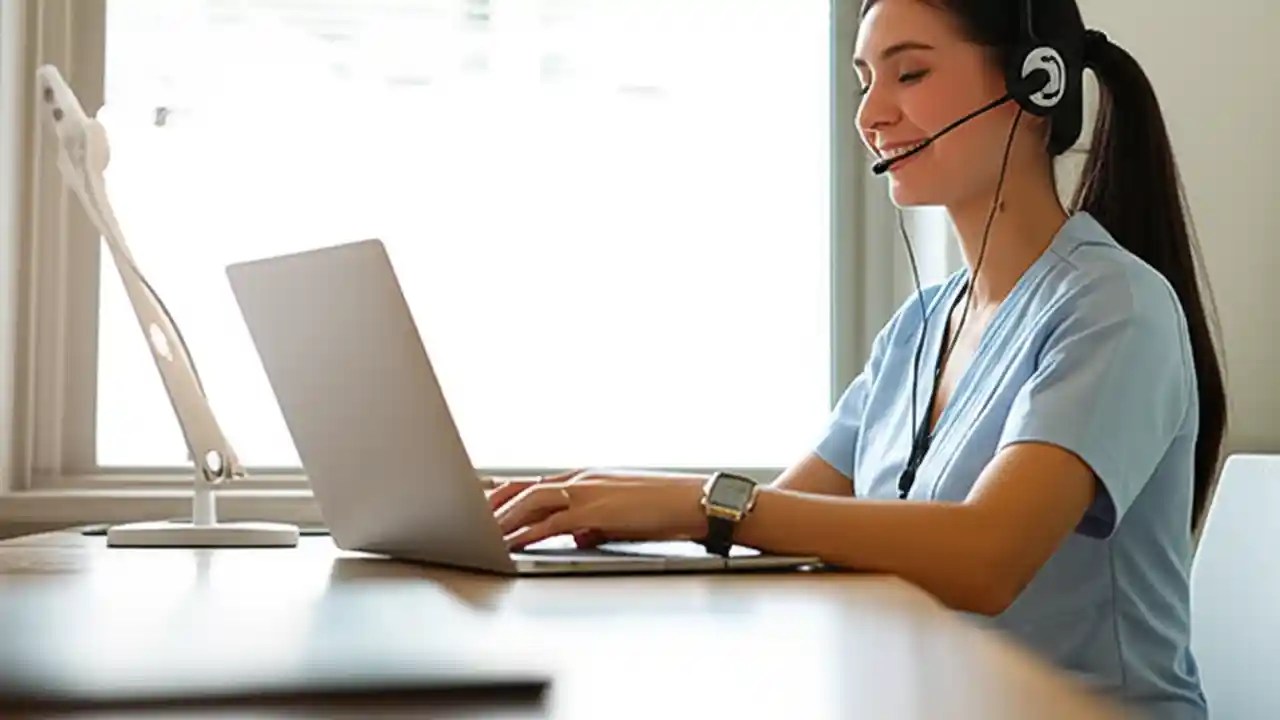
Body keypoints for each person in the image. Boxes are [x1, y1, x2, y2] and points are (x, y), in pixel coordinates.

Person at [489, 0, 1226, 717]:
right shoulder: (918, 330)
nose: (870, 114)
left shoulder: (1113, 306)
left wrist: (699, 502)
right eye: (863, 81)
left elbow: (990, 558)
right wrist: (619, 516)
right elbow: (779, 529)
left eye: (910, 74)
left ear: (1036, 83)